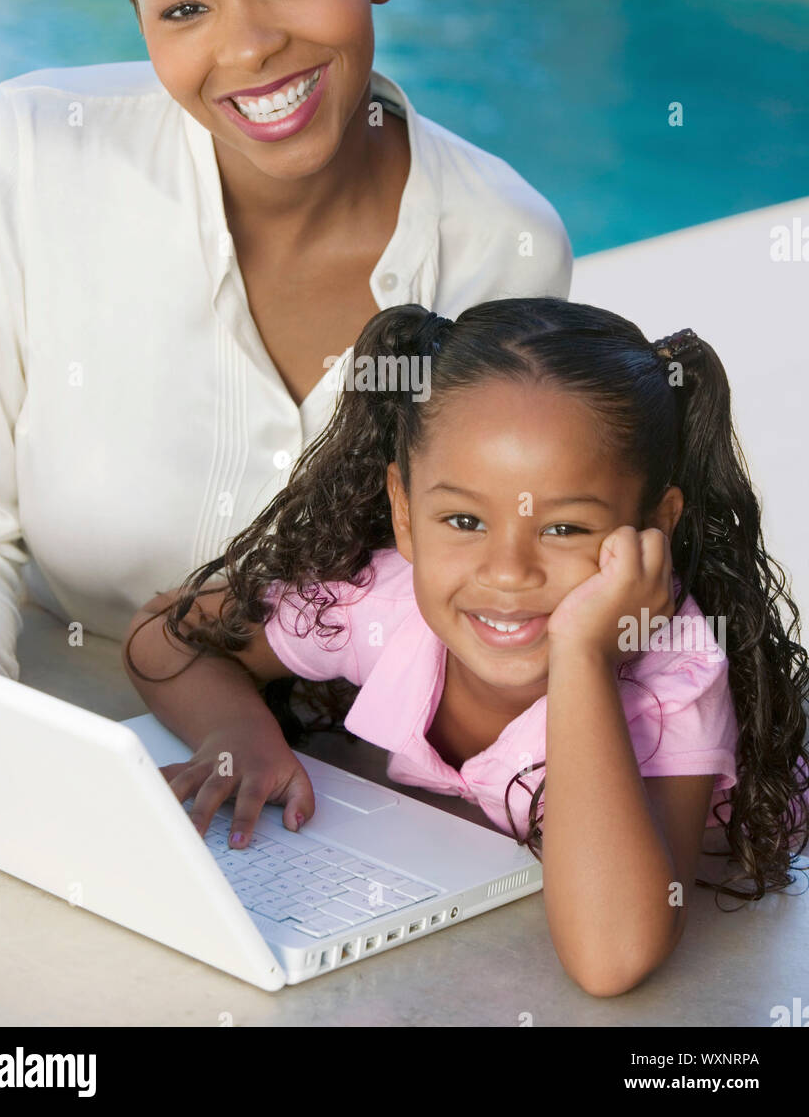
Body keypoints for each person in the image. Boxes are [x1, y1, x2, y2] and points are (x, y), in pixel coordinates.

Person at [0, 0, 571, 680]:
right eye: (184, 9)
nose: (248, 48)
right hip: (39, 709)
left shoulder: (501, 248)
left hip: (330, 753)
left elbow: (461, 593)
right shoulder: (23, 157)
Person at [124, 297, 809, 996]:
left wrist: (583, 656)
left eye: (565, 529)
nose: (507, 573)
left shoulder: (674, 672)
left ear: (655, 527)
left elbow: (612, 957)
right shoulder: (379, 605)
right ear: (404, 512)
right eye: (462, 519)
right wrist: (238, 732)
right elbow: (163, 630)